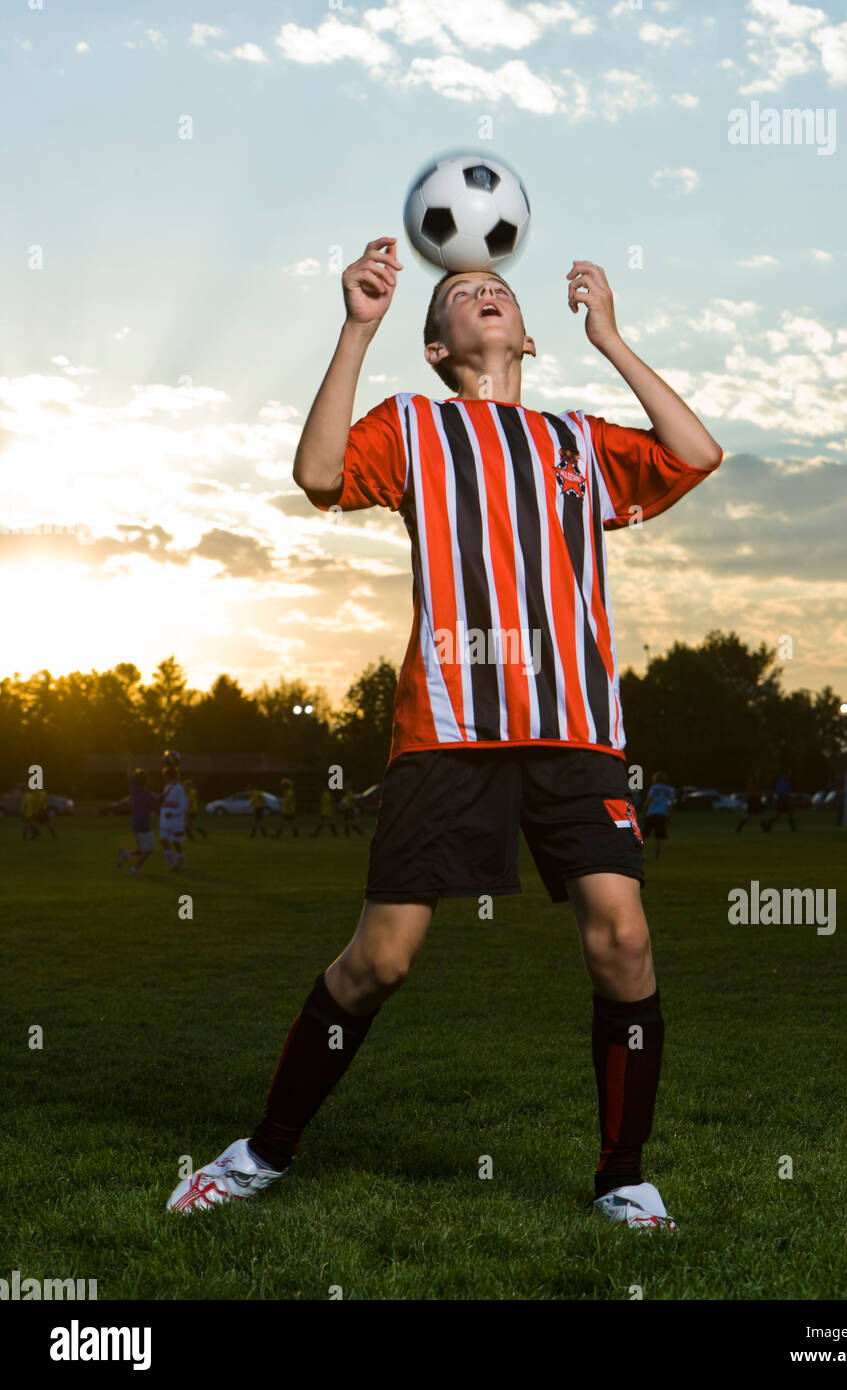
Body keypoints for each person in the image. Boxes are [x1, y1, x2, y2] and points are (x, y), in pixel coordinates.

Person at [167, 237, 722, 1231]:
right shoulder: (415, 424)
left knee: (624, 939)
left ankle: (623, 1176)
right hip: (450, 732)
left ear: (528, 336)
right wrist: (357, 328)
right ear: (437, 346)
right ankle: (261, 1152)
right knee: (381, 960)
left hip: (575, 730)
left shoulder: (577, 443)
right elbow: (319, 472)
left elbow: (696, 453)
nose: (484, 295)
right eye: (463, 294)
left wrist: (613, 339)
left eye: (497, 289)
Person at [117, 769, 162, 875]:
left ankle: (125, 854)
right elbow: (159, 799)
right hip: (144, 825)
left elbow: (131, 779)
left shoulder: (134, 790)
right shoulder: (147, 793)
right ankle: (134, 869)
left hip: (135, 824)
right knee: (148, 850)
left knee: (141, 849)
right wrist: (169, 790)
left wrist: (131, 768)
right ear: (146, 781)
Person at [159, 760, 189, 869]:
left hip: (175, 821)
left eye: (165, 776)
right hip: (165, 821)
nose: (164, 778)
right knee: (163, 840)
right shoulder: (167, 788)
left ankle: (181, 864)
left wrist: (173, 813)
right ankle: (172, 864)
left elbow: (184, 806)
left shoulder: (179, 789)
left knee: (176, 843)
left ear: (169, 776)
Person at [641, 772, 675, 862]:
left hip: (651, 814)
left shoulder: (654, 788)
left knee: (644, 835)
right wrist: (669, 813)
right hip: (661, 815)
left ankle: (639, 854)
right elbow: (671, 803)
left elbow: (648, 800)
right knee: (658, 837)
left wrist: (644, 811)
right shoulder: (669, 789)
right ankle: (657, 857)